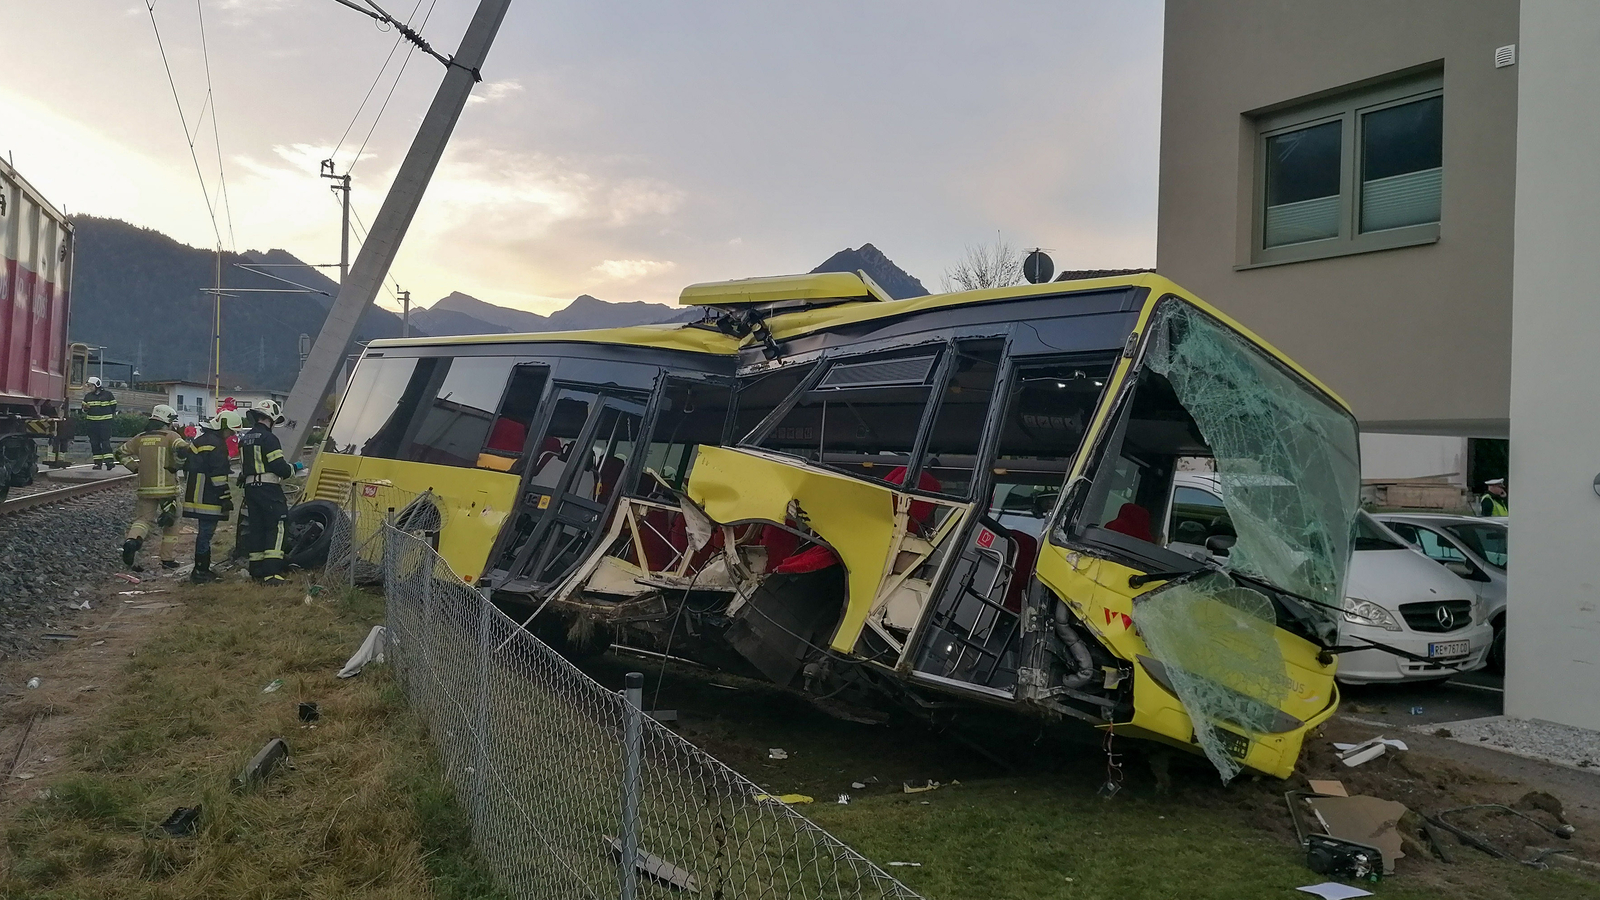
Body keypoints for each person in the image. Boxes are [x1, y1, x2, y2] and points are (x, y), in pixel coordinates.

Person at [115, 404, 191, 571]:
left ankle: (132, 541)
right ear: (167, 421)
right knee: (172, 522)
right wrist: (178, 464)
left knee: (142, 520)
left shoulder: (140, 437)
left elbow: (120, 453)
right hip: (168, 489)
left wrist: (134, 468)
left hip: (145, 488)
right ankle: (167, 559)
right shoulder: (171, 436)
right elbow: (183, 449)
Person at [237, 399, 295, 584]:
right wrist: (293, 468)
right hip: (268, 489)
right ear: (270, 418)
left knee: (257, 527)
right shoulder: (269, 438)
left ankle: (256, 569)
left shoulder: (244, 439)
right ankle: (272, 573)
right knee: (277, 526)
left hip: (250, 489)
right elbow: (279, 467)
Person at [183, 410, 241, 583]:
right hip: (208, 496)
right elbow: (218, 475)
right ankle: (201, 571)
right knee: (206, 534)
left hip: (195, 492)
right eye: (230, 431)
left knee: (204, 533)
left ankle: (202, 569)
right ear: (223, 426)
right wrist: (225, 498)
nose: (231, 435)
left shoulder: (201, 440)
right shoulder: (217, 445)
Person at [82, 376, 118, 469]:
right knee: (94, 443)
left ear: (97, 385)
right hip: (92, 424)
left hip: (105, 423)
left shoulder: (108, 395)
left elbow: (114, 406)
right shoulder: (88, 397)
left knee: (105, 442)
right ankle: (97, 463)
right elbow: (83, 410)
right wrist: (85, 408)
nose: (89, 388)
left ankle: (109, 462)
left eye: (91, 386)